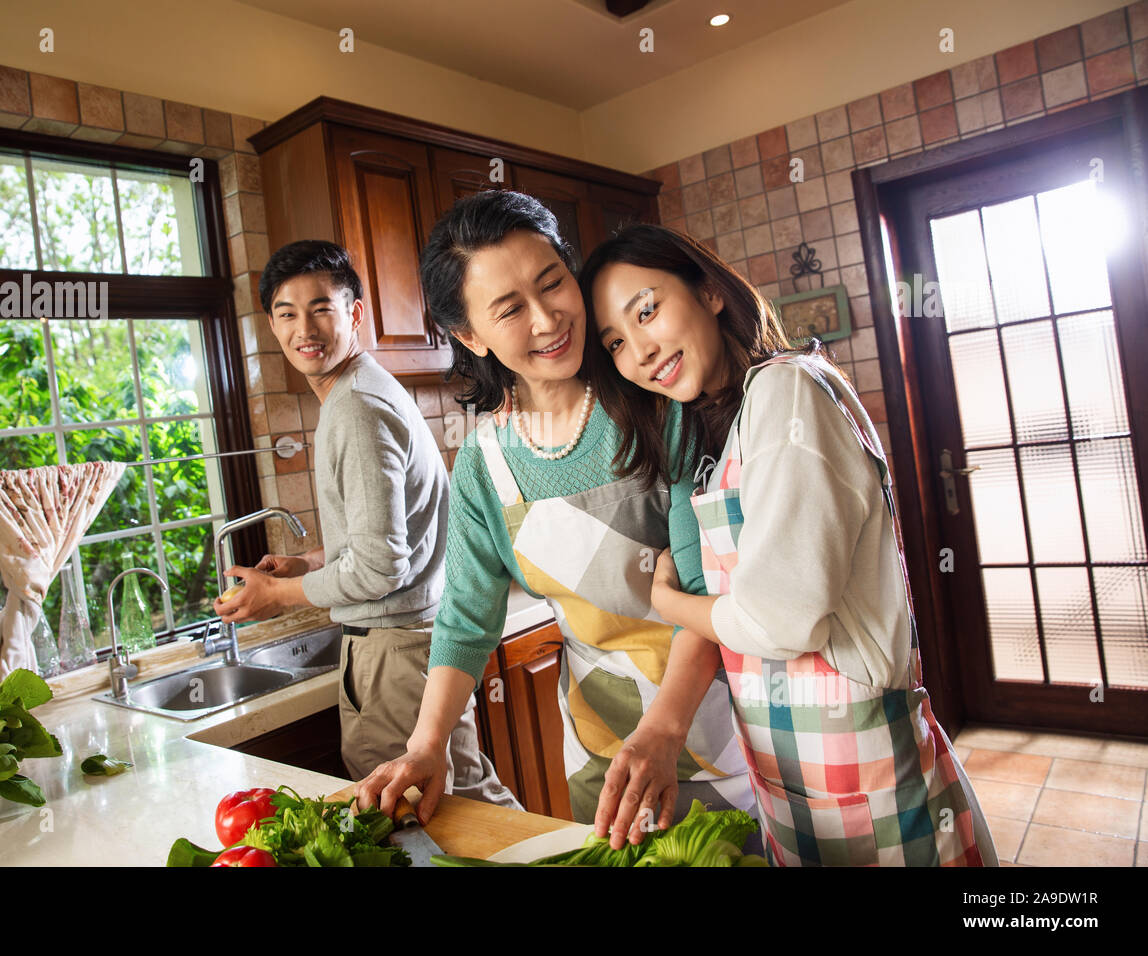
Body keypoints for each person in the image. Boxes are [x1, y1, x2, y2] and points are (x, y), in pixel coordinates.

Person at [580, 222, 998, 866]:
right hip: (791, 785)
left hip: (867, 777)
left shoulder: (788, 389)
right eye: (615, 341)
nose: (638, 350)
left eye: (647, 310)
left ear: (711, 291)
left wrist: (664, 600)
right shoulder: (730, 420)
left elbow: (779, 619)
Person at [356, 192, 755, 844]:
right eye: (511, 309)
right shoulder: (486, 463)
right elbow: (464, 618)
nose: (547, 320)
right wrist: (426, 746)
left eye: (553, 284)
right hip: (598, 747)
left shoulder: (657, 405)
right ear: (470, 335)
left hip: (712, 721)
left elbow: (707, 589)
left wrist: (663, 729)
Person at [215, 239, 517, 809]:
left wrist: (281, 593)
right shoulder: (360, 392)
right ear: (273, 326)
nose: (305, 327)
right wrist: (310, 563)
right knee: (467, 813)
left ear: (354, 314)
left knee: (433, 822)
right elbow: (383, 536)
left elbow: (380, 566)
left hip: (395, 657)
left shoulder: (355, 407)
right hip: (412, 647)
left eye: (322, 308)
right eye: (287, 313)